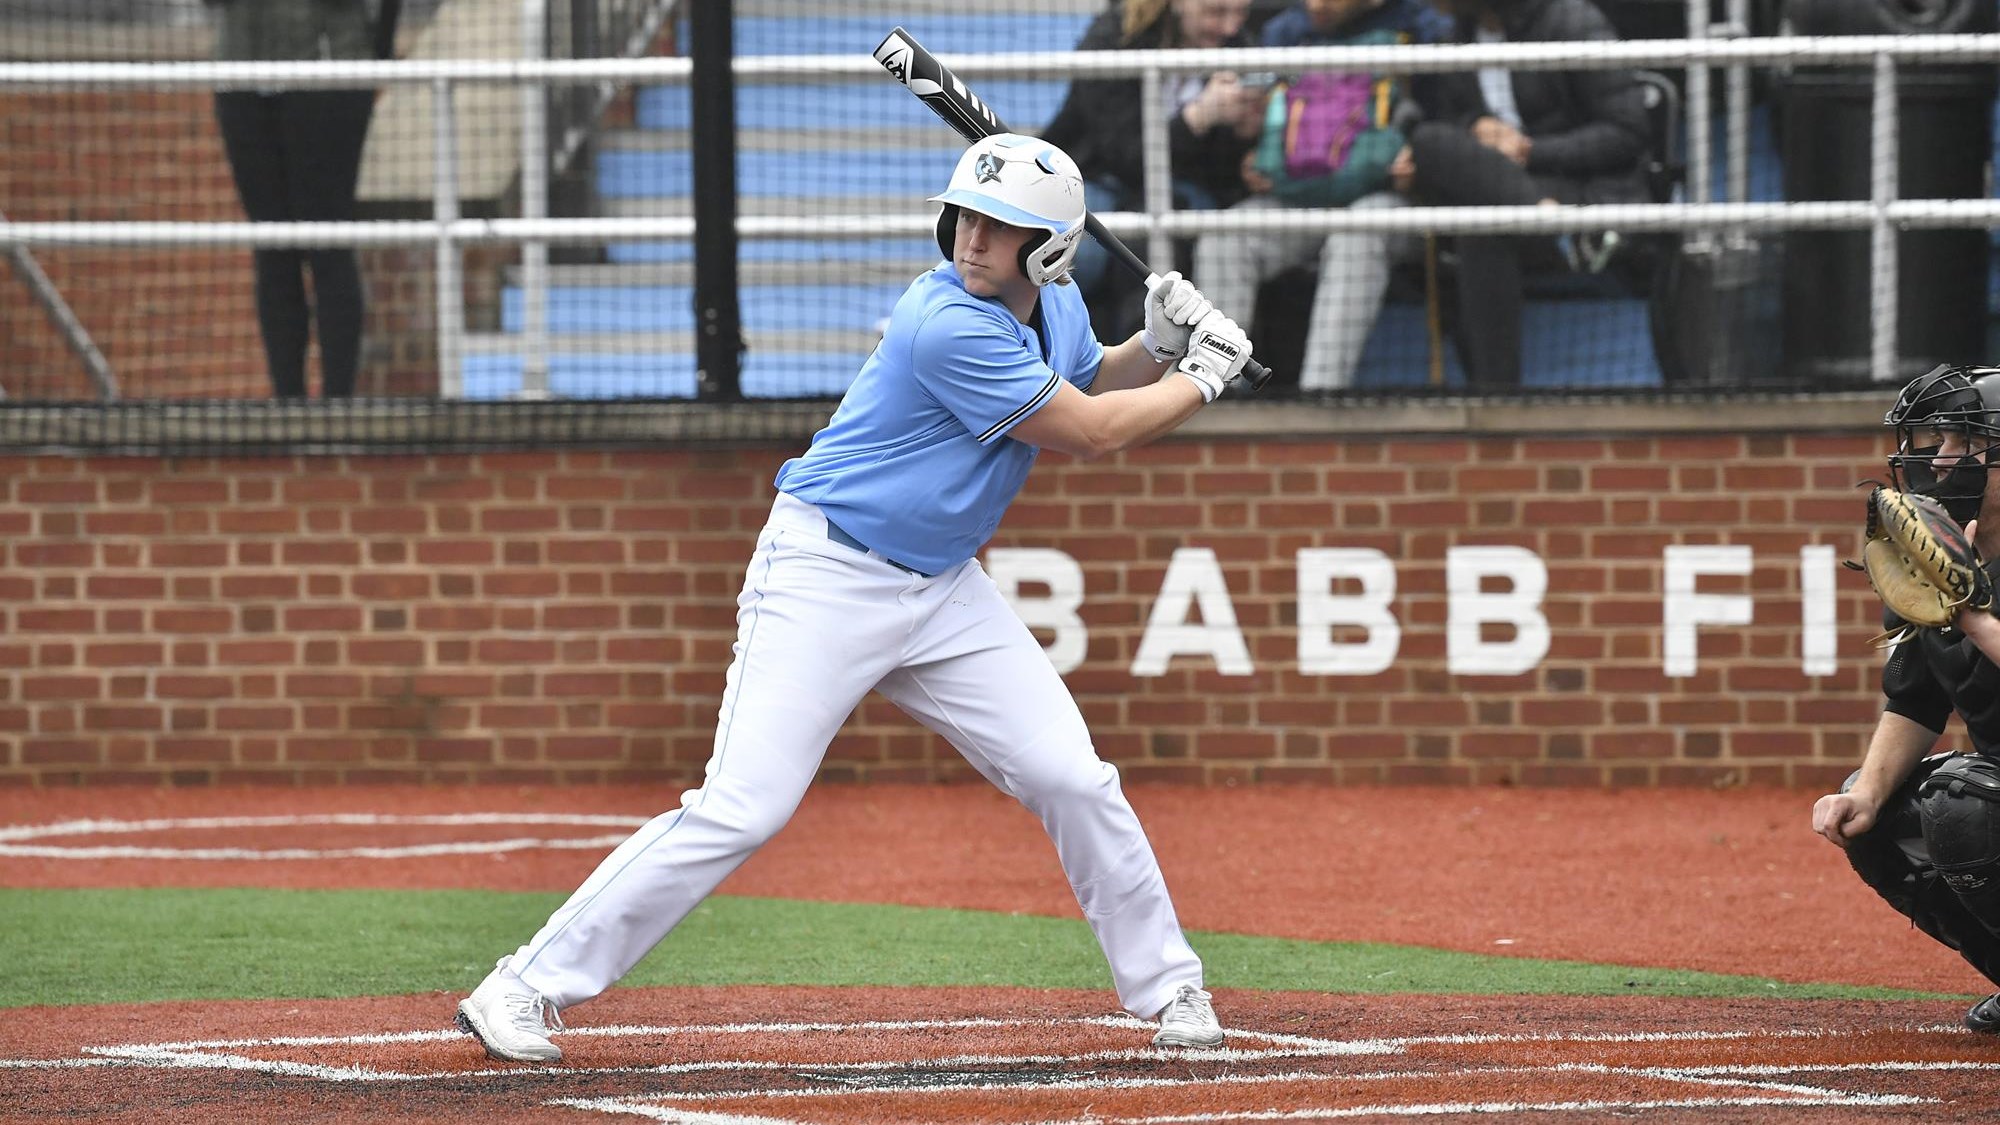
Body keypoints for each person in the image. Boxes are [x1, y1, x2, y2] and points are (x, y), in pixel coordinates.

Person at [452, 133, 1255, 1064]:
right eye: (968, 218)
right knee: (741, 807)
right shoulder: (942, 321)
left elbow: (1083, 379)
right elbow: (1088, 432)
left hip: (944, 587)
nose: (973, 239)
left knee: (1073, 776)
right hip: (827, 572)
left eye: (1002, 227)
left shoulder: (1059, 304)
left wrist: (1151, 347)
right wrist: (1201, 376)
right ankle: (522, 985)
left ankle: (1172, 991)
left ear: (1051, 251)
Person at [1812, 363, 2000, 1033]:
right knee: (1878, 809)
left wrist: (1974, 616)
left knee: (1964, 801)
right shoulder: (1942, 566)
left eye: (1965, 444)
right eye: (1935, 442)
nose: (1940, 461)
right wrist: (1862, 795)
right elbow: (1915, 703)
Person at [1190, 0, 1451, 391]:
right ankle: (1213, 397)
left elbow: (1452, 119)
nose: (1317, 5)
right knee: (1224, 239)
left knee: (1355, 236)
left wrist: (1423, 160)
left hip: (1388, 198)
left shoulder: (1423, 27)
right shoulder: (1285, 32)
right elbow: (1261, 117)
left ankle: (1320, 399)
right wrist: (1250, 149)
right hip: (1299, 194)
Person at [1399, 0, 1650, 387]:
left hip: (1580, 189)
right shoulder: (1454, 38)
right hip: (1521, 203)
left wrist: (1531, 149)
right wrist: (1476, 128)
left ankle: (1493, 393)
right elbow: (1449, 123)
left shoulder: (1573, 21)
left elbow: (1627, 132)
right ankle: (1499, 403)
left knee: (1481, 216)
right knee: (1432, 147)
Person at [1041, 0, 1267, 337]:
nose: (1230, 27)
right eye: (1215, 12)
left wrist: (1244, 137)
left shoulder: (1238, 47)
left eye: (1241, 13)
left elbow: (1223, 176)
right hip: (1100, 176)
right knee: (1075, 257)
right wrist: (1198, 118)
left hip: (1184, 187)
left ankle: (1151, 367)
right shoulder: (1113, 37)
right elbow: (1124, 154)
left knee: (1161, 247)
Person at [207, 0, 389, 399]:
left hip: (328, 73)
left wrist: (377, 51)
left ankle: (337, 406)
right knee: (273, 246)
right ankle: (287, 406)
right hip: (241, 74)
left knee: (327, 242)